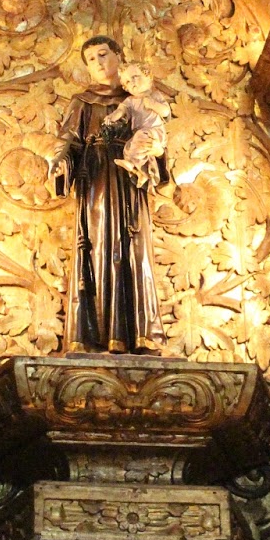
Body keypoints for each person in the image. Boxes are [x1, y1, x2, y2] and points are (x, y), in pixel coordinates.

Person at [50, 37, 166, 353]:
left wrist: (157, 151)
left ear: (119, 56)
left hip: (130, 178)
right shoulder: (83, 102)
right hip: (96, 178)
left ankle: (139, 334)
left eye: (104, 55)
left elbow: (158, 136)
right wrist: (62, 162)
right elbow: (68, 142)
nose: (99, 63)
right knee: (98, 246)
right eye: (90, 59)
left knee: (134, 247)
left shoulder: (142, 99)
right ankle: (94, 335)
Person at [104, 61, 171, 190]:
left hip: (154, 132)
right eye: (128, 82)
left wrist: (153, 104)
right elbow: (120, 111)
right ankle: (139, 171)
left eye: (135, 77)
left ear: (149, 77)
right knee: (130, 147)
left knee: (140, 139)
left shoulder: (155, 96)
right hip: (139, 134)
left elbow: (166, 112)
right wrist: (112, 117)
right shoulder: (130, 101)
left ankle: (133, 165)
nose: (132, 83)